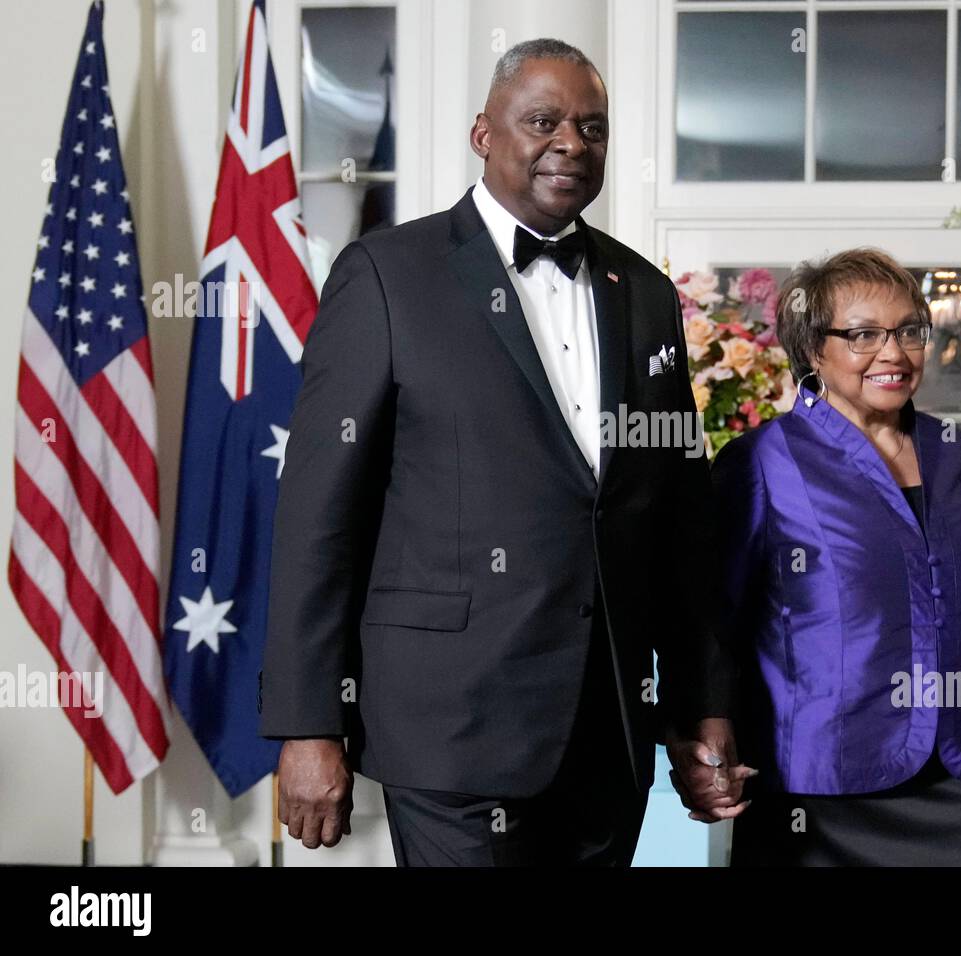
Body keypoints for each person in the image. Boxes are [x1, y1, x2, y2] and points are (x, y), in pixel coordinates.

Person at [258, 38, 746, 866]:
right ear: (484, 133)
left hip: (608, 734)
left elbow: (680, 529)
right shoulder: (385, 274)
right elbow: (319, 518)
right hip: (450, 730)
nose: (571, 144)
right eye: (544, 121)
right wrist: (308, 724)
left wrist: (702, 709)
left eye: (591, 128)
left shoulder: (647, 295)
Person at [712, 248, 961, 866]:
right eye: (863, 335)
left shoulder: (957, 454)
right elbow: (713, 624)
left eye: (910, 331)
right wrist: (705, 739)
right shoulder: (763, 463)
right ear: (813, 349)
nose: (895, 353)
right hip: (821, 789)